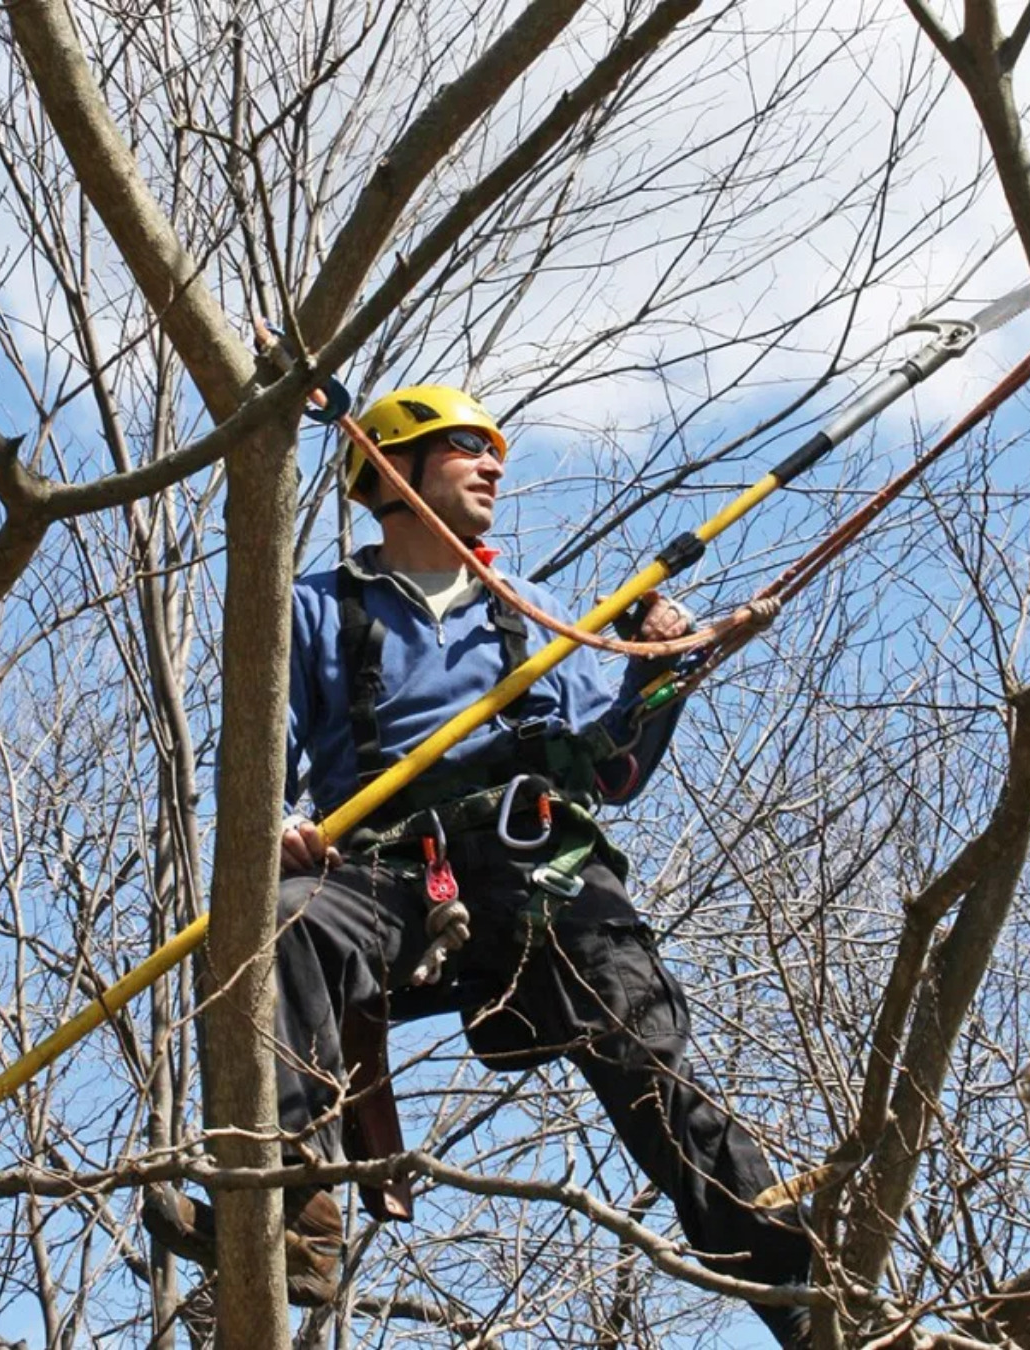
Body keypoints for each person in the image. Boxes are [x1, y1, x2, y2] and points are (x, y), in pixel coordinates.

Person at [157, 385, 810, 1343]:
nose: (494, 464)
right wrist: (277, 831)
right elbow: (261, 762)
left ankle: (799, 1285)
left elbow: (614, 764)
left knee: (643, 1047)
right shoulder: (313, 612)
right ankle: (292, 1218)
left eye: (495, 448)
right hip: (387, 873)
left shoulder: (534, 614)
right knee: (286, 920)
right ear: (391, 470)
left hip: (534, 863)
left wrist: (661, 672)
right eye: (464, 446)